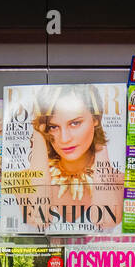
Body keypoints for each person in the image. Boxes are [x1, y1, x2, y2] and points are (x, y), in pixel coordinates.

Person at [29, 83, 121, 230]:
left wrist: (99, 142)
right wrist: (39, 130)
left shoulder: (121, 181)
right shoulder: (25, 180)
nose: (64, 139)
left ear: (96, 119)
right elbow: (40, 220)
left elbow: (107, 221)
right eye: (53, 127)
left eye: (75, 123)